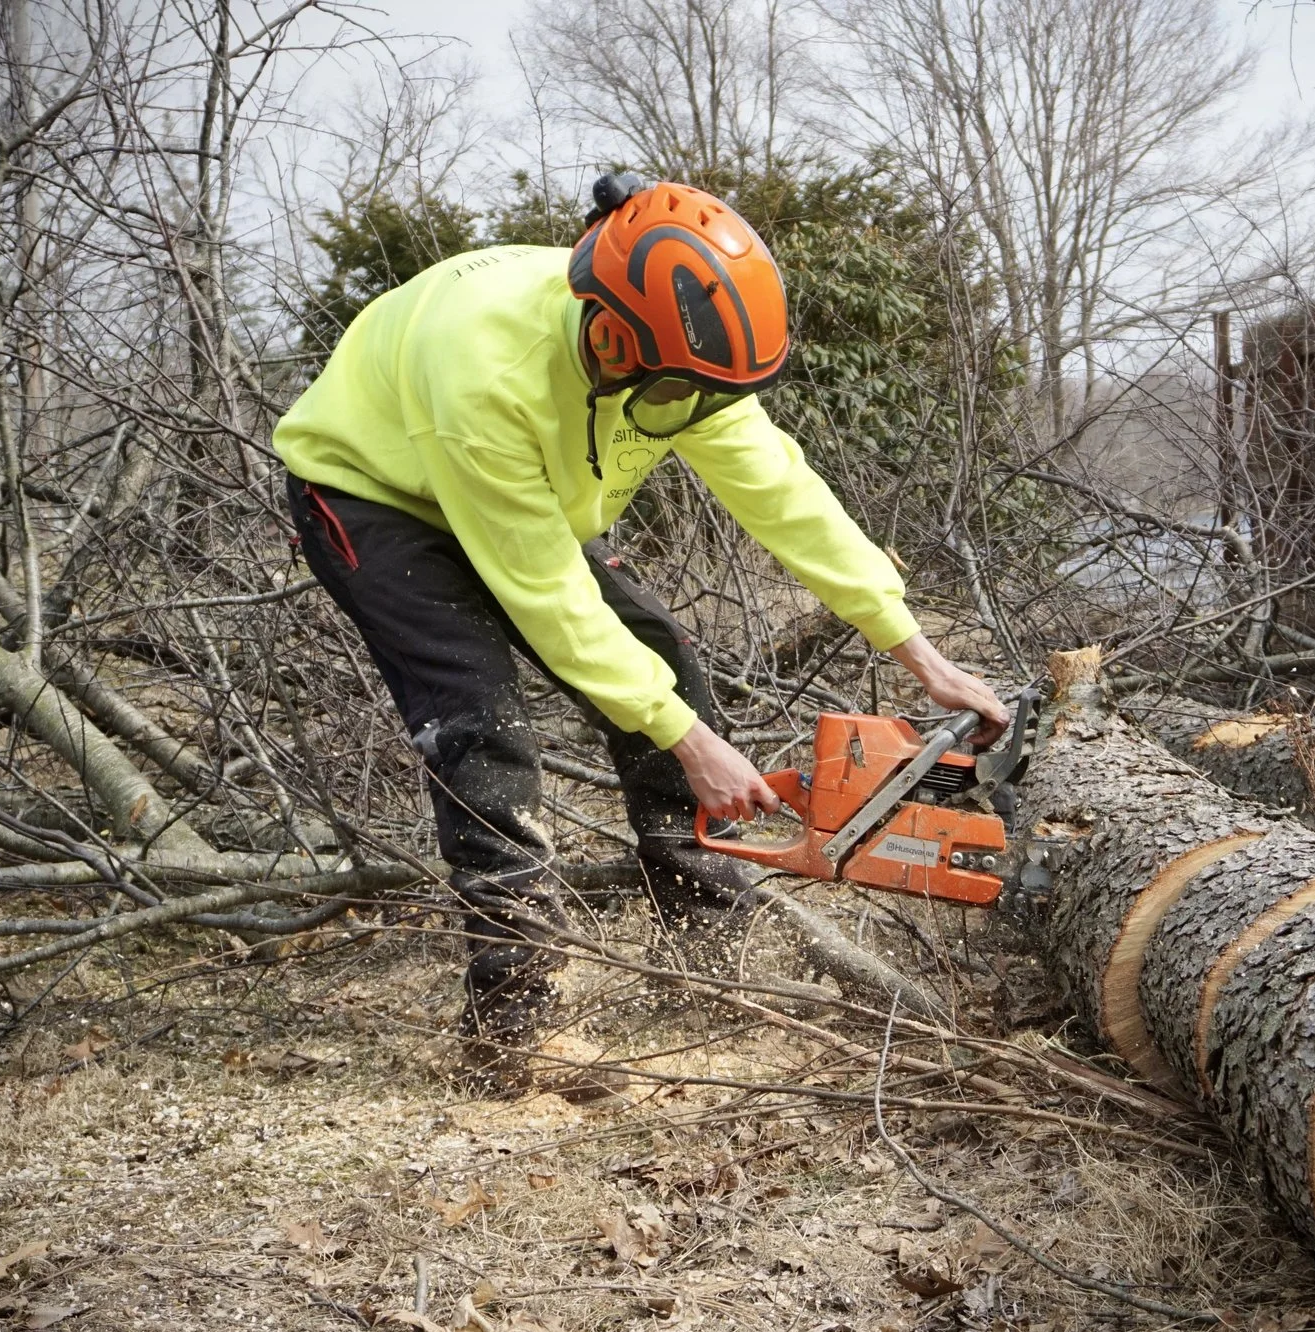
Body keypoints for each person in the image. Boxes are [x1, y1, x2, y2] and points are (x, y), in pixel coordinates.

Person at [273, 174, 1007, 1080]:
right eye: (683, 397)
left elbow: (779, 489)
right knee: (481, 722)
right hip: (375, 496)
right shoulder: (486, 366)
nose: (696, 414)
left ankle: (710, 950)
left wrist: (914, 648)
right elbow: (548, 596)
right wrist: (692, 743)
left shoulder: (679, 350)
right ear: (614, 336)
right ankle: (513, 1025)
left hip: (525, 504)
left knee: (662, 659)